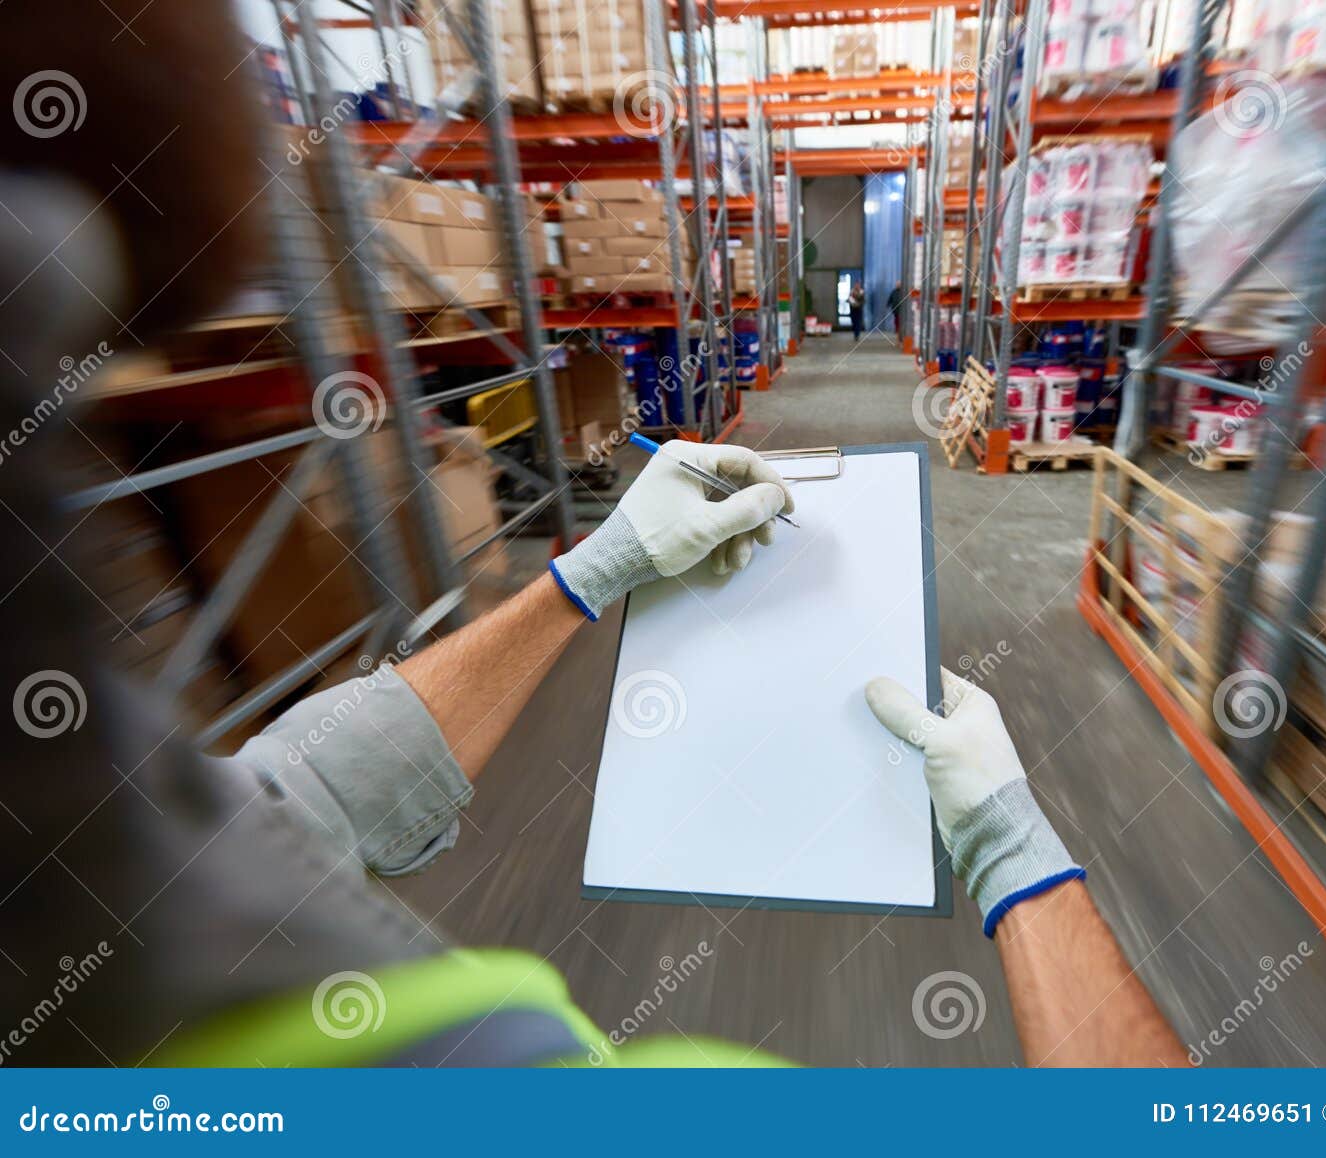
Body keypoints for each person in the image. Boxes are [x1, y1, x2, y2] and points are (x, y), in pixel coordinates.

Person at [0, 1, 1185, 1068]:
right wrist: (1015, 850)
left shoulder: (116, 911)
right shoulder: (466, 1071)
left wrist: (589, 570)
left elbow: (287, 797)